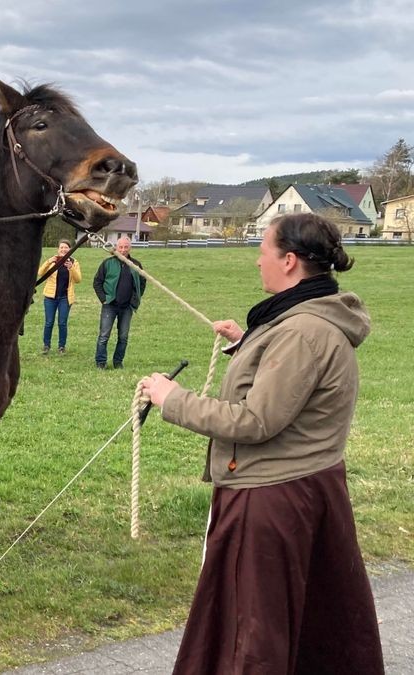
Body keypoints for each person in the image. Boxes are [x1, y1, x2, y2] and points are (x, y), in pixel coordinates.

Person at [140, 213, 383, 674]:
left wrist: (173, 399)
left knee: (253, 632)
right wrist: (248, 344)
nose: (257, 262)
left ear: (289, 261)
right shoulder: (306, 319)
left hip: (273, 499)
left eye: (263, 251)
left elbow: (255, 420)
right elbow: (289, 381)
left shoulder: (301, 332)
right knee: (298, 621)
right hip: (305, 489)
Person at [92, 236, 146, 369]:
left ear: (130, 248)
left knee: (123, 337)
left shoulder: (136, 265)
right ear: (116, 247)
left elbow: (142, 283)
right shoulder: (107, 263)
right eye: (120, 247)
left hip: (127, 307)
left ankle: (118, 362)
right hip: (110, 305)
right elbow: (97, 282)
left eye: (126, 247)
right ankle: (101, 362)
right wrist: (104, 298)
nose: (123, 250)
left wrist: (135, 299)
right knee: (104, 335)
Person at [37, 239, 82, 355]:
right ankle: (46, 346)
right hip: (50, 297)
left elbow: (78, 280)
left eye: (66, 247)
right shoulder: (53, 261)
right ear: (58, 249)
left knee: (62, 322)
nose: (63, 249)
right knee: (49, 322)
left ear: (70, 249)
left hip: (65, 298)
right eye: (61, 247)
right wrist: (48, 262)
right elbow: (40, 273)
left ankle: (61, 346)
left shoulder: (74, 262)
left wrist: (71, 268)